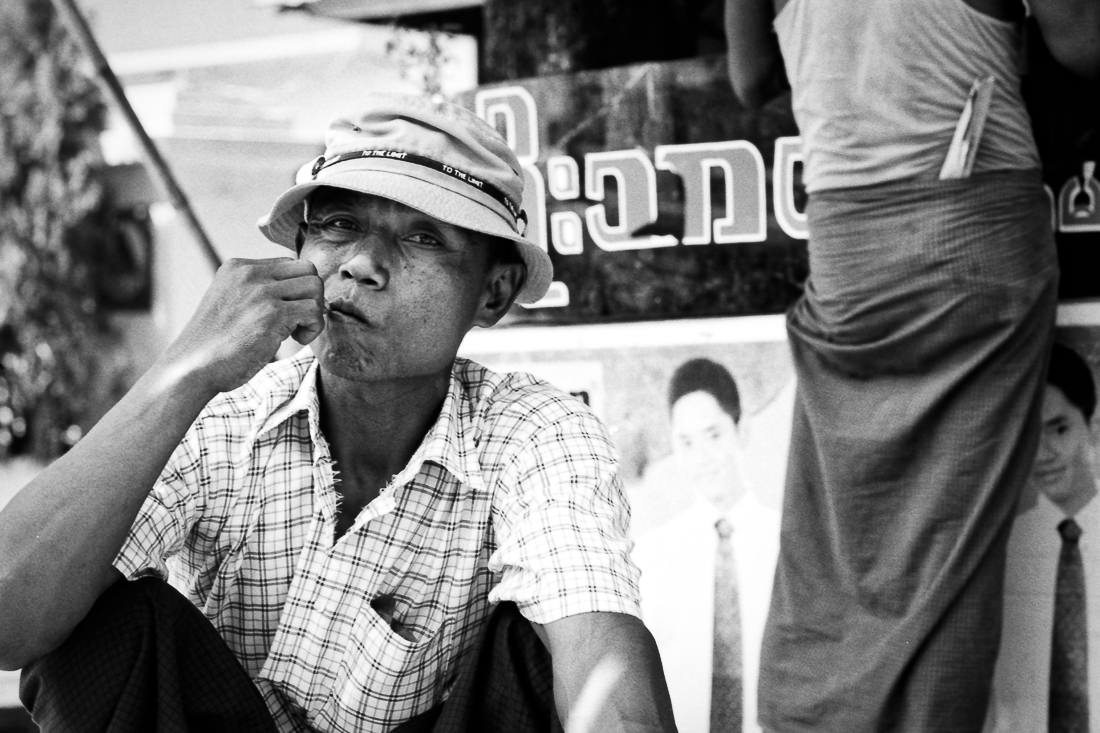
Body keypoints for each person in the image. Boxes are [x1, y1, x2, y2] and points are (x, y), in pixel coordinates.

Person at [0, 93, 677, 732]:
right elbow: (9, 618)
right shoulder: (224, 410)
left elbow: (603, 662)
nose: (361, 264)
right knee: (93, 615)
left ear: (493, 293)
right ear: (299, 252)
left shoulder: (531, 431)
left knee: (533, 645)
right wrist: (183, 371)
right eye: (339, 224)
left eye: (421, 238)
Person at [724, 0, 1100, 730]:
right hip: (974, 224)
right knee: (947, 546)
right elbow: (1084, 45)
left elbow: (750, 77)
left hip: (848, 242)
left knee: (838, 544)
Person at [633, 358, 782, 732]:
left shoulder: (786, 545)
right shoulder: (653, 556)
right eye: (686, 442)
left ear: (741, 429)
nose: (703, 458)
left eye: (713, 435)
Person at [985, 341, 1100, 732]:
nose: (1043, 453)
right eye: (1027, 436)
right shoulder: (999, 545)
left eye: (1059, 428)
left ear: (1091, 424)